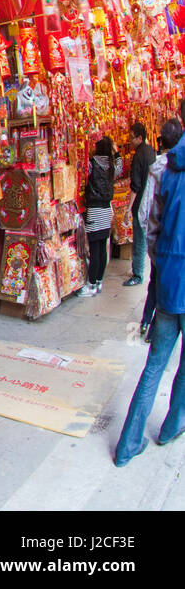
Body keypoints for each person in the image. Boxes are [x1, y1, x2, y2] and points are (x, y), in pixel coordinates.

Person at [113, 120, 185, 466]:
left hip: (171, 281)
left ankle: (128, 444)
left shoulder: (168, 172)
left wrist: (161, 268)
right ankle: (171, 426)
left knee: (155, 364)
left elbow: (151, 227)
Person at [137, 119, 184, 341]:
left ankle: (148, 323)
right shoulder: (172, 170)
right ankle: (152, 326)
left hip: (164, 249)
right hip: (173, 254)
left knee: (156, 287)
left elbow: (146, 214)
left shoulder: (161, 169)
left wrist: (154, 250)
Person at [78, 136, 121, 297]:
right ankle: (99, 282)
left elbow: (82, 177)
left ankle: (91, 284)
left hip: (94, 209)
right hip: (106, 209)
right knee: (102, 249)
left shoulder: (91, 164)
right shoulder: (111, 166)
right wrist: (116, 153)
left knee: (94, 249)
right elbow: (120, 168)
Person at [126, 122, 156, 288]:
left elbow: (135, 186)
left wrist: (129, 207)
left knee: (139, 239)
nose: (130, 141)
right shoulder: (150, 151)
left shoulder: (138, 155)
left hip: (140, 204)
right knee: (145, 237)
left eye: (132, 138)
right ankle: (142, 269)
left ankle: (137, 274)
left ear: (139, 137)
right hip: (151, 201)